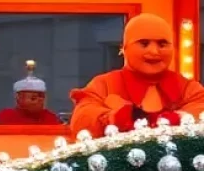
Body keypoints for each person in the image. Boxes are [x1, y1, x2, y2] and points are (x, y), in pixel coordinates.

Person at [70, 13, 204, 138]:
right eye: (144, 43)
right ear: (125, 48)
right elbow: (81, 120)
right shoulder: (104, 84)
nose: (154, 51)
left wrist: (179, 118)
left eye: (162, 44)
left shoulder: (188, 87)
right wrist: (113, 118)